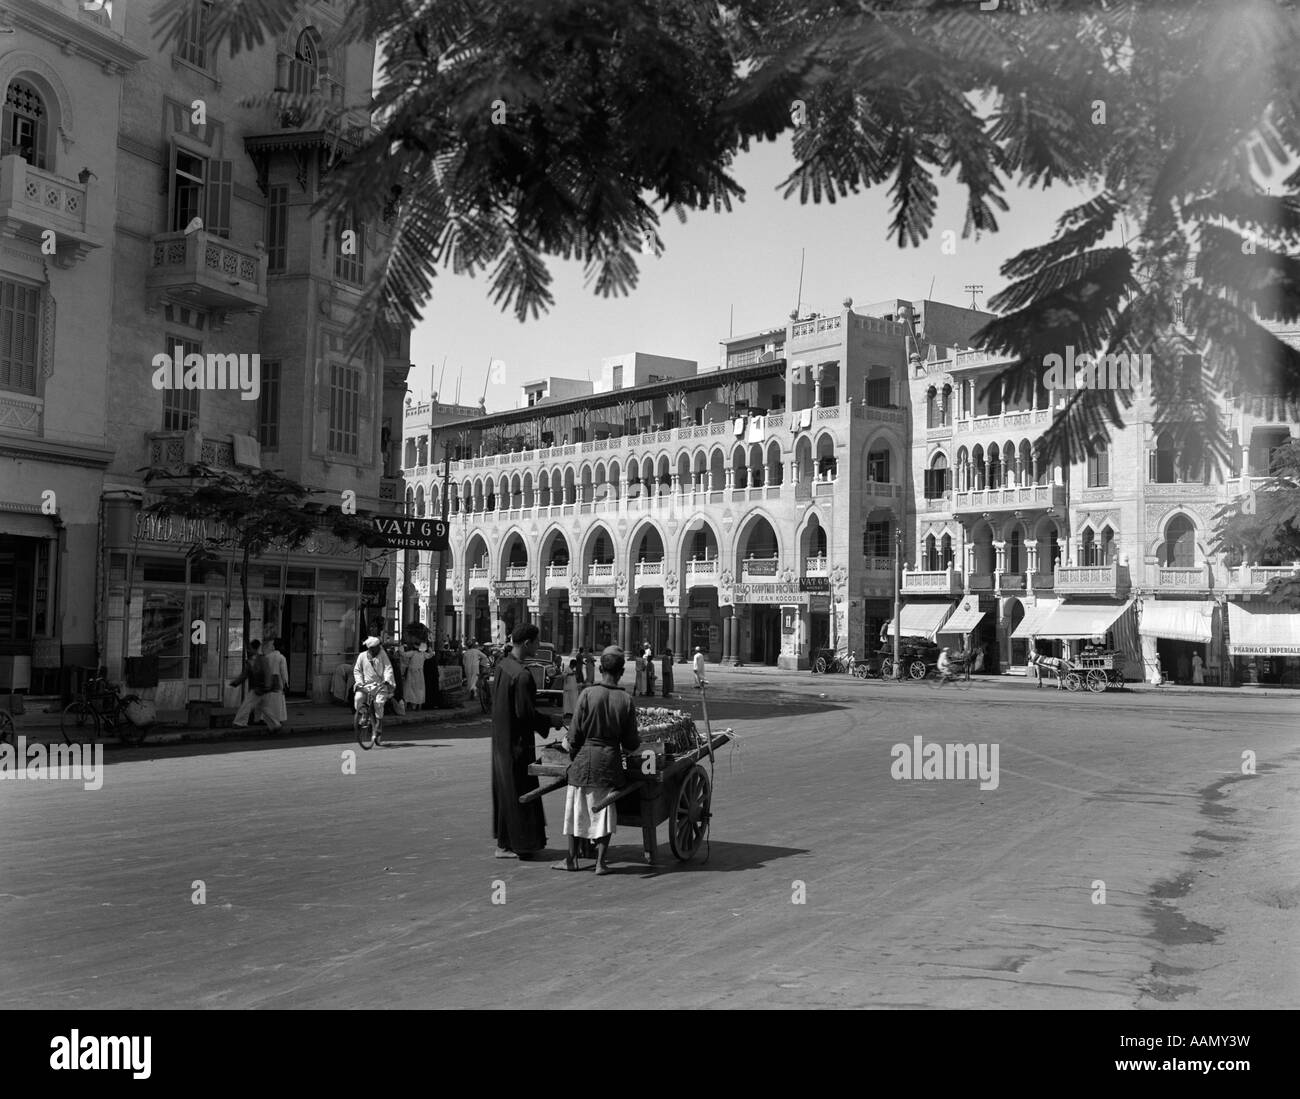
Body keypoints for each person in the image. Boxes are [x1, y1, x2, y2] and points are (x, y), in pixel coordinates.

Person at [556, 645, 640, 875]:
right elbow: (631, 743)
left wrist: (572, 752)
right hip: (609, 763)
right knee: (604, 813)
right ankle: (601, 863)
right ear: (622, 672)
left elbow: (574, 736)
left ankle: (572, 859)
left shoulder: (587, 694)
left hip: (584, 761)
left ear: (600, 668)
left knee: (576, 809)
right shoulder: (625, 700)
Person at [492, 623, 563, 859]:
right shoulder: (522, 675)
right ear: (526, 643)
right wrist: (552, 721)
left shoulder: (503, 666)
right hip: (517, 745)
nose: (538, 645)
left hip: (501, 741)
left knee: (505, 792)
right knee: (520, 791)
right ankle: (521, 844)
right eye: (536, 641)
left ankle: (505, 844)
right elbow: (526, 714)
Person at [231, 640, 283, 732]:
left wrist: (266, 685)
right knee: (264, 708)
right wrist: (236, 682)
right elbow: (245, 674)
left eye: (250, 648)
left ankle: (240, 722)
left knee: (247, 704)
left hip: (259, 688)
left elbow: (266, 673)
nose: (249, 650)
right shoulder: (258, 659)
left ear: (254, 648)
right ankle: (275, 724)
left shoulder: (259, 660)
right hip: (263, 688)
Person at [353, 636, 396, 745]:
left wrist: (387, 680)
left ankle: (379, 724)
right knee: (358, 698)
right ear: (370, 648)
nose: (378, 649)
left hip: (381, 685)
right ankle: (363, 714)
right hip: (366, 685)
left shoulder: (382, 655)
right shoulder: (362, 656)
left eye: (378, 647)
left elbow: (388, 668)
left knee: (379, 704)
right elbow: (357, 671)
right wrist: (359, 682)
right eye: (375, 648)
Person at [261, 637, 289, 730]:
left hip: (268, 680)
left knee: (268, 701)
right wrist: (286, 684)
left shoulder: (267, 656)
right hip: (278, 681)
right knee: (278, 701)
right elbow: (283, 672)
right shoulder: (281, 658)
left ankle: (267, 719)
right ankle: (278, 719)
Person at [403, 643, 429, 711]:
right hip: (418, 673)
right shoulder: (423, 654)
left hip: (413, 673)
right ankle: (417, 705)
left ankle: (410, 705)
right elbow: (430, 655)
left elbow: (404, 654)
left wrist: (401, 648)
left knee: (410, 688)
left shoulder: (414, 653)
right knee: (418, 689)